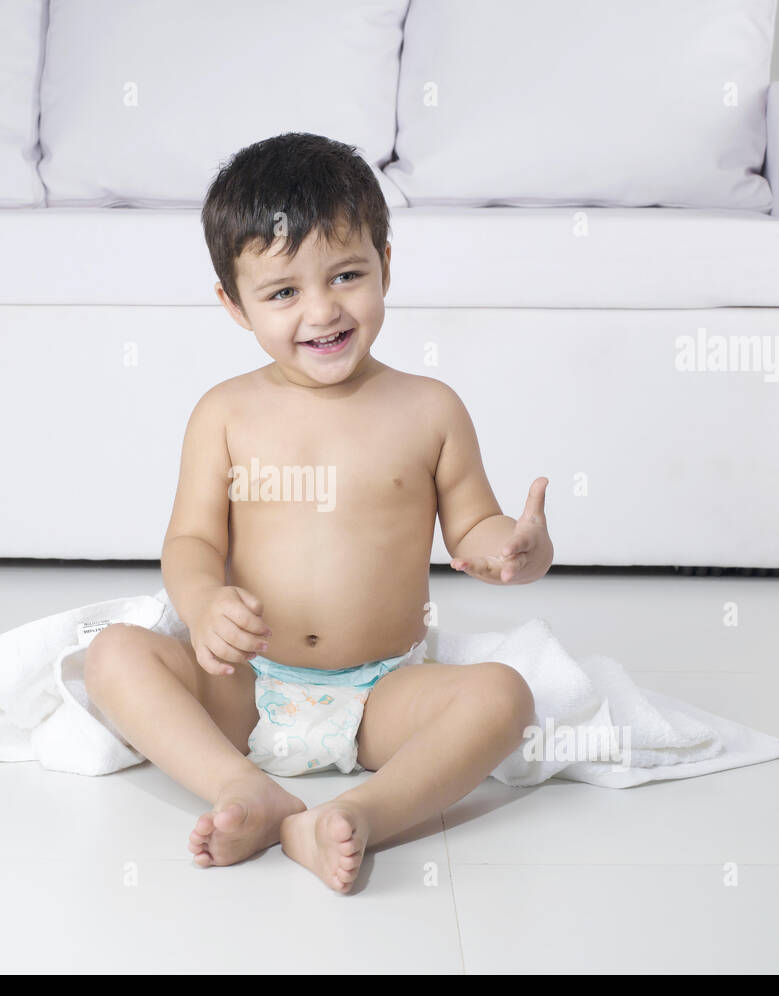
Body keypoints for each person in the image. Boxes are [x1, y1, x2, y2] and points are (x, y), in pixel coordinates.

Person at [84, 132, 552, 892]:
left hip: (382, 696)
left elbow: (473, 528)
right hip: (248, 682)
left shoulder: (429, 409)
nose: (323, 310)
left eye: (346, 275)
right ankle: (243, 788)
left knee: (504, 696)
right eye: (282, 292)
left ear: (386, 266)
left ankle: (359, 813)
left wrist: (515, 547)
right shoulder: (224, 413)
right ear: (234, 304)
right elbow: (193, 539)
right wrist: (202, 604)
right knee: (112, 655)